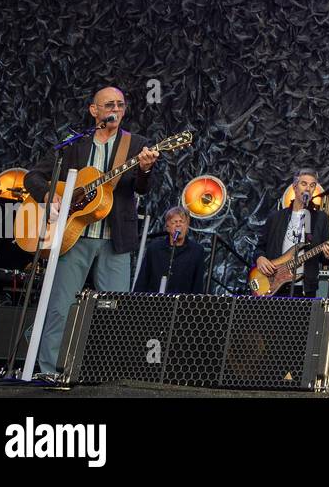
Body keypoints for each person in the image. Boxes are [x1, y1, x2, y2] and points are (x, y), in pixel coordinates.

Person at [24, 86, 161, 376]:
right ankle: (49, 370)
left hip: (115, 239)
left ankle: (103, 373)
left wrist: (146, 170)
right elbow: (32, 176)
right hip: (74, 237)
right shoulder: (75, 145)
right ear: (94, 110)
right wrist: (50, 196)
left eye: (120, 105)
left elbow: (141, 189)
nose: (115, 109)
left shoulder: (135, 144)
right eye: (108, 104)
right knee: (60, 307)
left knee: (114, 311)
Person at [252, 171, 329, 297]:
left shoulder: (320, 218)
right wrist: (260, 258)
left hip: (304, 287)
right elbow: (260, 248)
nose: (308, 188)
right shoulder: (276, 217)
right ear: (294, 186)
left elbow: (323, 256)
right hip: (272, 283)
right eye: (304, 183)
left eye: (312, 185)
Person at [134, 206, 206, 294]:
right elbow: (142, 280)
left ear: (187, 226)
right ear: (167, 227)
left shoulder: (196, 251)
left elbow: (198, 285)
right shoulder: (154, 249)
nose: (178, 225)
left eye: (182, 221)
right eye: (174, 222)